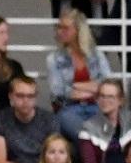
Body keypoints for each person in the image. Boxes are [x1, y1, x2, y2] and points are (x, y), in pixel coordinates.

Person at [46, 10, 109, 140]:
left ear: (78, 30)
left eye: (65, 28)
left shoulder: (97, 55)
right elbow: (57, 91)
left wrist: (76, 86)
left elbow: (108, 83)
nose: (59, 31)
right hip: (69, 108)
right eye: (58, 27)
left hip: (98, 106)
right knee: (84, 135)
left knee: (109, 123)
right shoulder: (53, 59)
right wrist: (93, 88)